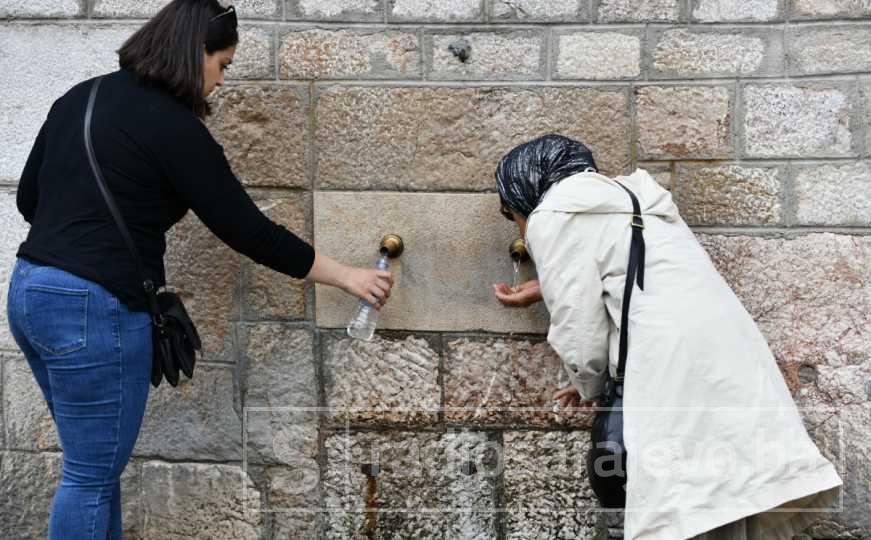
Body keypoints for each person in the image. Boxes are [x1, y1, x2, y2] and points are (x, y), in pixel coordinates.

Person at [6, 2, 392, 538]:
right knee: (91, 476)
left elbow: (29, 200)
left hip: (30, 293)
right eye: (223, 65)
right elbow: (248, 231)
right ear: (194, 55)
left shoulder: (79, 98)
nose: (221, 81)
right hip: (93, 308)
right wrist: (348, 276)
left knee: (94, 469)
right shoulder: (174, 128)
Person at [492, 134, 843, 539]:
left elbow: (580, 329)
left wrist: (587, 384)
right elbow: (632, 276)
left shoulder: (552, 215)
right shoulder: (632, 197)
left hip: (666, 363)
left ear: (525, 188)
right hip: (725, 348)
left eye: (508, 212)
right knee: (724, 488)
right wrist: (546, 286)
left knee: (680, 505)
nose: (517, 224)